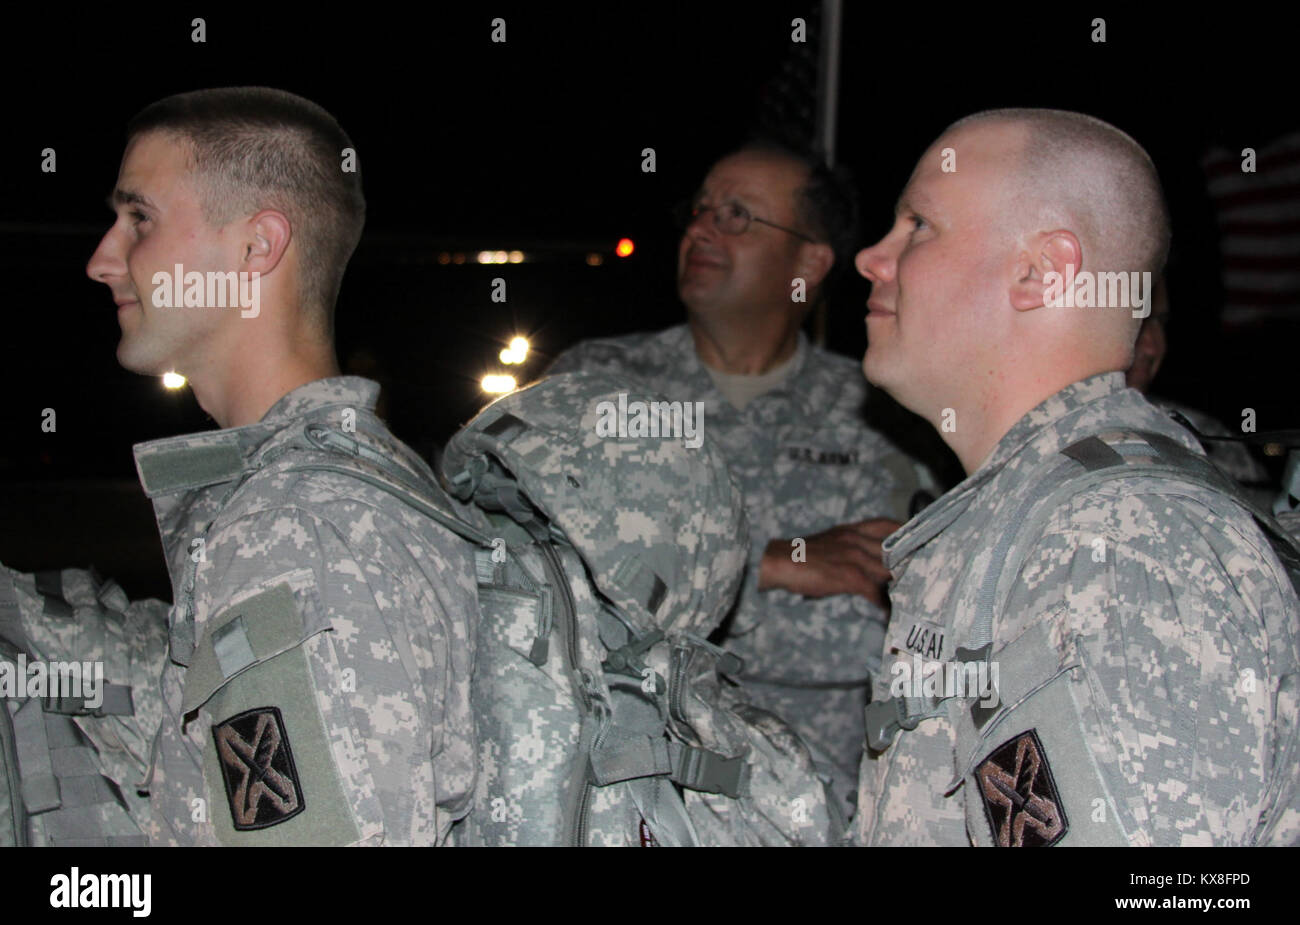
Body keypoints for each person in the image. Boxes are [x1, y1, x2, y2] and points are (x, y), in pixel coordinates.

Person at [852, 108, 1299, 846]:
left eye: (918, 226)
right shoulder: (1043, 519)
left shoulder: (1114, 546)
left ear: (1042, 270)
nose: (872, 256)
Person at [68, 86, 479, 845]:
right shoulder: (349, 480)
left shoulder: (297, 528)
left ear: (257, 247)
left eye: (139, 219)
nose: (102, 259)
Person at [549, 141, 937, 818]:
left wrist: (663, 589)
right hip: (626, 805)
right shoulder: (592, 387)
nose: (700, 229)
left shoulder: (878, 417)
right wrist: (771, 564)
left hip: (816, 814)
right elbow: (548, 591)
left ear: (810, 261)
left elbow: (869, 634)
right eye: (699, 210)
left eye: (736, 215)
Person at [1126, 278, 1274, 508]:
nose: (1152, 346)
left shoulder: (1206, 437)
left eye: (1160, 322)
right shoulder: (1059, 435)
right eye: (1136, 322)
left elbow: (1267, 526)